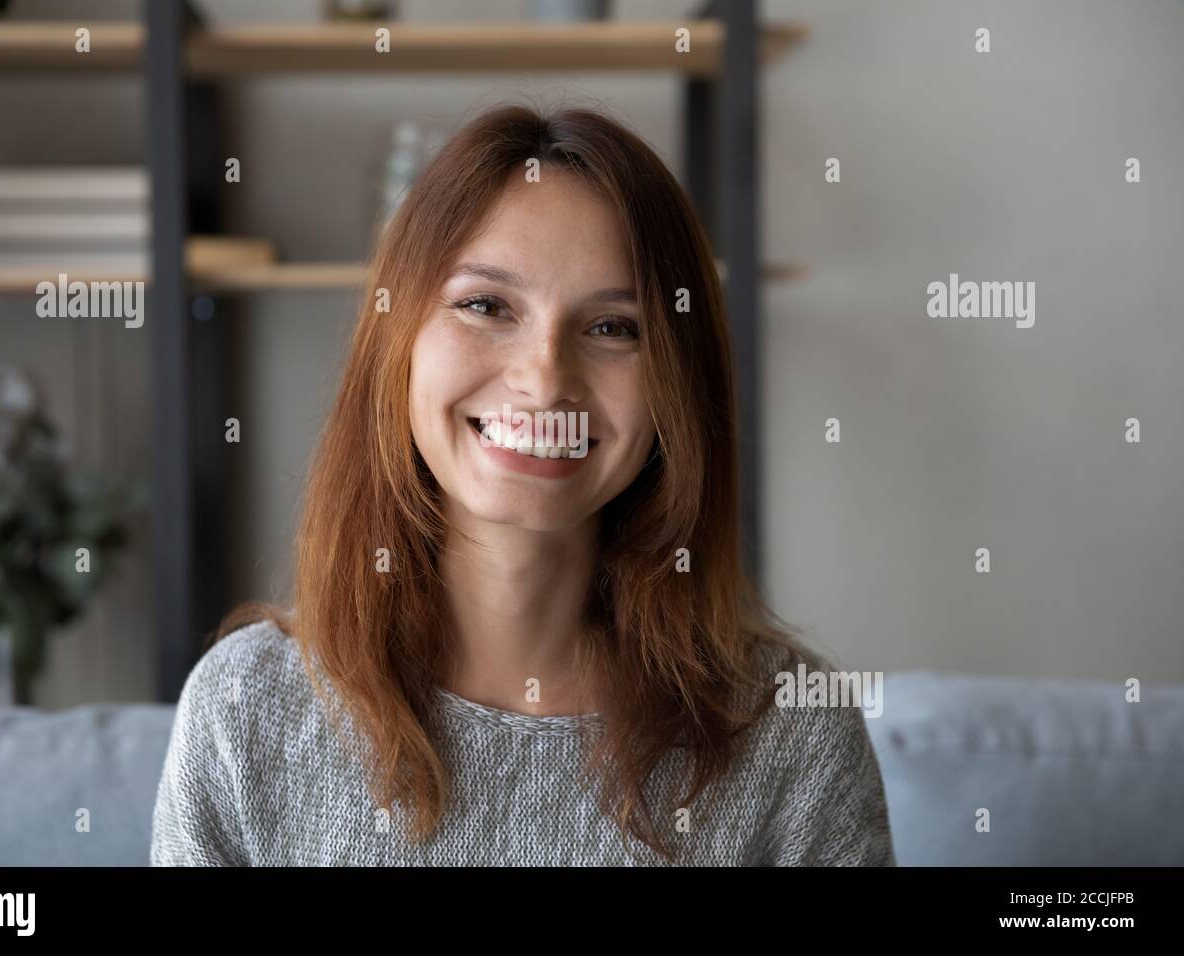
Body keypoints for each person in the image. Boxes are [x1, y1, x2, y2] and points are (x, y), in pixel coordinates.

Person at [151, 102, 896, 866]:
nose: (544, 381)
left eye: (613, 327)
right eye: (485, 306)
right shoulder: (246, 707)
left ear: (678, 381)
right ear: (396, 343)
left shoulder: (790, 729)